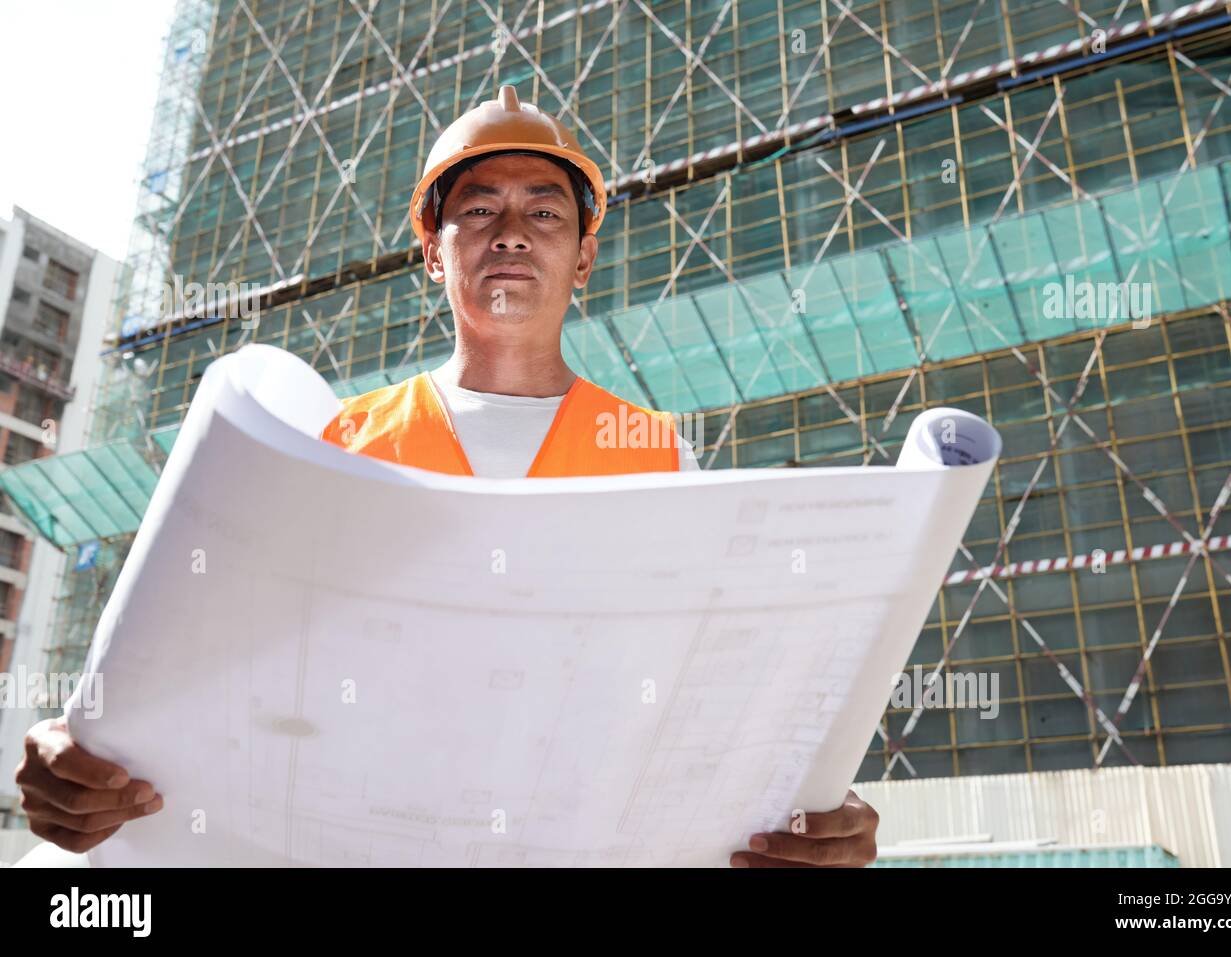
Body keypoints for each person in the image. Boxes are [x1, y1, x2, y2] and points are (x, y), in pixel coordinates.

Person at [13, 86, 878, 868]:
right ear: (433, 251)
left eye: (545, 212)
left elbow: (715, 698)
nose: (510, 230)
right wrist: (86, 748)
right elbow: (214, 670)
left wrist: (809, 807)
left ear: (582, 258)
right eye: (479, 209)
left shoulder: (656, 454)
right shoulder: (338, 443)